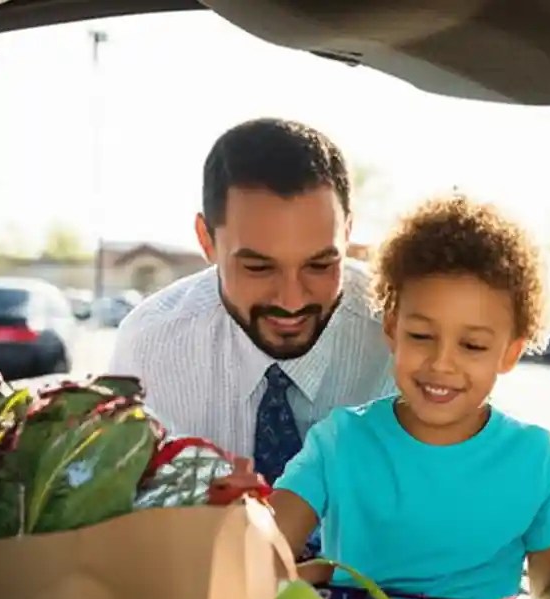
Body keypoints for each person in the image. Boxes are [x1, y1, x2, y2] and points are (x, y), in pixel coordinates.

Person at [259, 194, 550, 599]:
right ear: (391, 329)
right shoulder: (340, 441)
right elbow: (264, 546)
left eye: (472, 345)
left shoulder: (537, 460)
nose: (442, 363)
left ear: (510, 353)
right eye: (421, 335)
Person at [110, 118, 394, 560]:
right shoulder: (148, 346)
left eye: (320, 265)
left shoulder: (402, 333)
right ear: (207, 241)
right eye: (259, 268)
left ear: (348, 232)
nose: (292, 300)